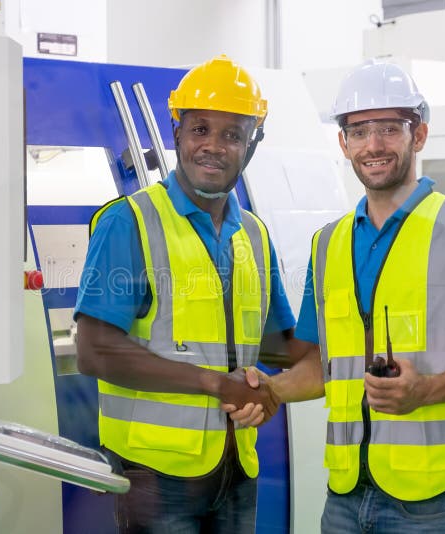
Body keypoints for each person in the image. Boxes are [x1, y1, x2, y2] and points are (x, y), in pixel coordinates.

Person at [227, 59, 445, 532]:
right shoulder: (327, 244)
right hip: (346, 497)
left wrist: (427, 389)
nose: (373, 145)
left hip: (435, 504)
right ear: (342, 142)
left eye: (389, 128)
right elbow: (323, 365)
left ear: (419, 134)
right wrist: (270, 390)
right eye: (359, 130)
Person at [74, 54, 303, 533]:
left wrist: (351, 336)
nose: (213, 147)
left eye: (232, 134)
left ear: (251, 145)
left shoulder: (254, 236)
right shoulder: (129, 221)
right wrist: (217, 384)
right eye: (200, 129)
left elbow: (280, 344)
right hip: (157, 476)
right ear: (176, 132)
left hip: (236, 464)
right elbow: (94, 351)